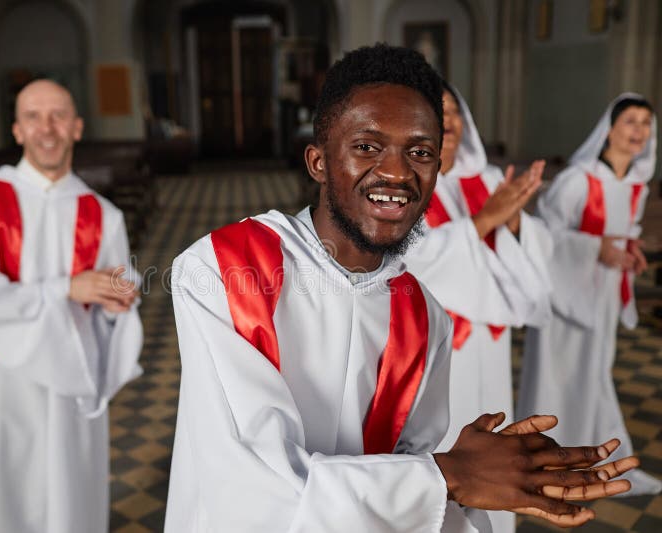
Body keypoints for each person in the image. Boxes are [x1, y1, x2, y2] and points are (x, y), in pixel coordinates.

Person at [165, 44, 638, 533]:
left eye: (419, 152)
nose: (396, 172)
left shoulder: (424, 315)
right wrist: (453, 475)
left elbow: (418, 485)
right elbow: (255, 487)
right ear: (318, 162)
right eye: (367, 147)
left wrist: (477, 482)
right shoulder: (225, 270)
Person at [0, 79, 144, 533]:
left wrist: (117, 308)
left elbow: (113, 297)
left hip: (69, 384)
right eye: (33, 117)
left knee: (67, 497)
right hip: (0, 385)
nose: (46, 128)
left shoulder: (102, 215)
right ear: (16, 130)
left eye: (57, 116)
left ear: (77, 127)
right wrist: (65, 289)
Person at [403, 83, 554, 532]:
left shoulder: (486, 179)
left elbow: (527, 245)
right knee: (452, 441)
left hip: (490, 338)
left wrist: (512, 219)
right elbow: (416, 259)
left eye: (455, 113)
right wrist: (484, 220)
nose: (449, 122)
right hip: (442, 339)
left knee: (495, 428)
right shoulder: (407, 179)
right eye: (438, 112)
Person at [518, 93, 662, 496]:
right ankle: (542, 463)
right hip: (565, 298)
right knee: (556, 377)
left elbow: (624, 233)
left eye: (646, 123)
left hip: (600, 298)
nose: (639, 131)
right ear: (609, 129)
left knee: (593, 376)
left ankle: (591, 460)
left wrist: (628, 253)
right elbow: (544, 237)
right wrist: (597, 248)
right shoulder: (577, 180)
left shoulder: (636, 185)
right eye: (631, 121)